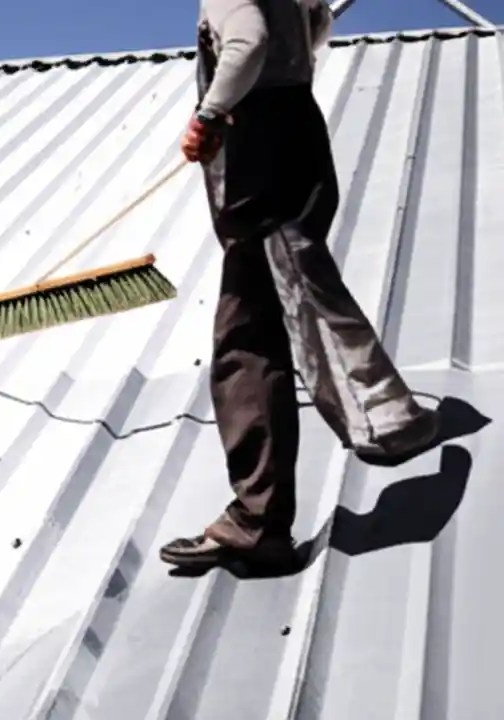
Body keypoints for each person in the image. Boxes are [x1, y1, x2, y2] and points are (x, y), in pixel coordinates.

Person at [159, 0, 442, 570]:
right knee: (268, 320)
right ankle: (261, 519)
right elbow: (316, 23)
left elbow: (249, 40)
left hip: (261, 148)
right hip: (299, 139)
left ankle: (387, 420)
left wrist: (209, 116)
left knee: (249, 336)